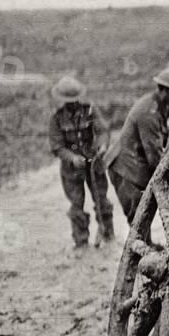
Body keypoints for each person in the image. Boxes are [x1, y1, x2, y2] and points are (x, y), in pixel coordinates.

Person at [105, 68, 169, 223]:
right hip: (126, 168)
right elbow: (154, 156)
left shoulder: (160, 104)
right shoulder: (148, 113)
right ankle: (138, 245)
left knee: (142, 209)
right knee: (136, 215)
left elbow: (164, 135)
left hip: (134, 163)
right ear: (165, 91)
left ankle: (146, 243)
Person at [48, 76, 114, 250]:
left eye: (74, 100)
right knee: (76, 204)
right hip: (72, 170)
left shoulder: (90, 110)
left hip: (94, 164)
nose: (72, 104)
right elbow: (57, 147)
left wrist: (102, 146)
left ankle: (108, 234)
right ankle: (81, 241)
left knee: (102, 199)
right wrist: (72, 158)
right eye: (68, 101)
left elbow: (102, 131)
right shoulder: (56, 118)